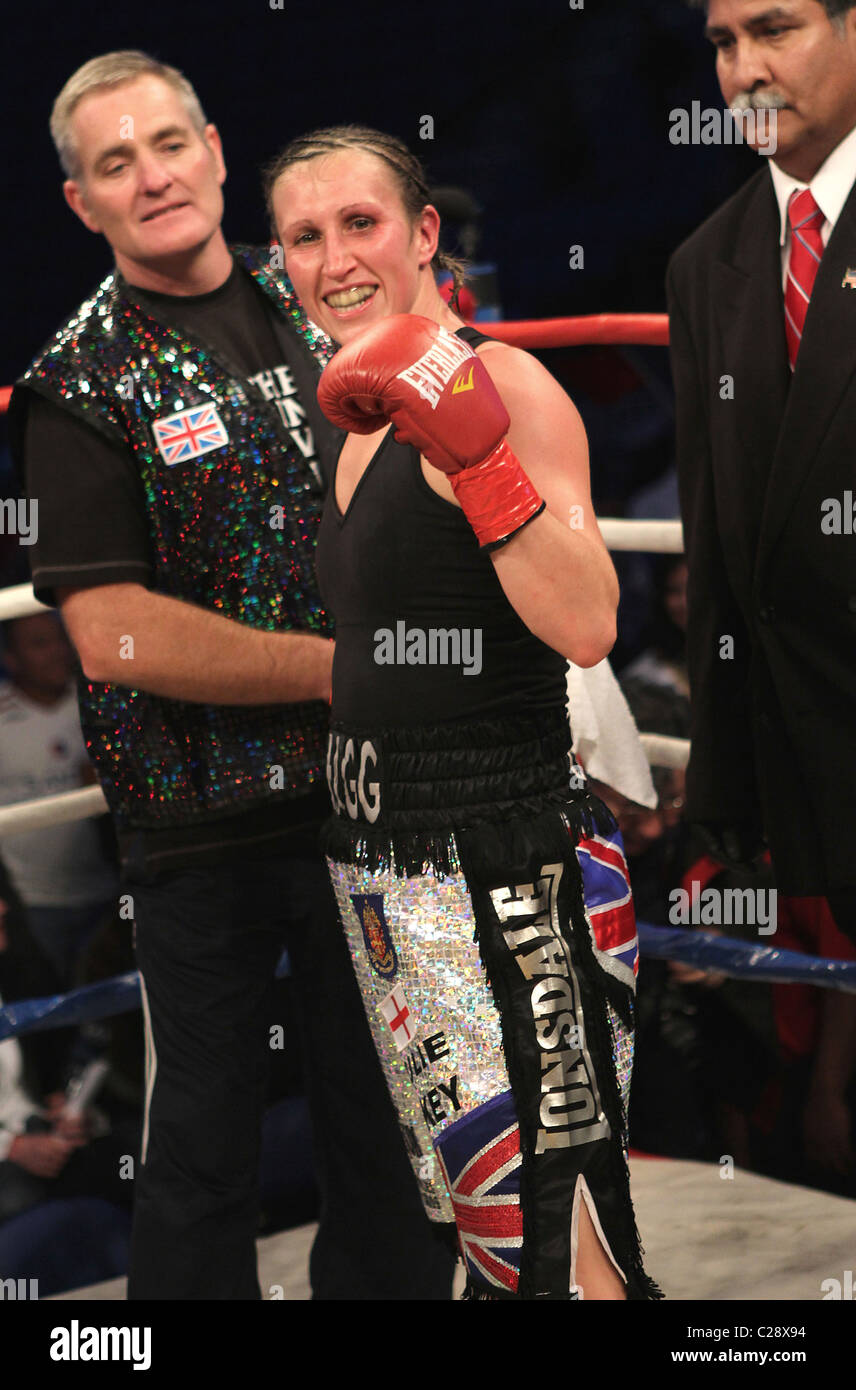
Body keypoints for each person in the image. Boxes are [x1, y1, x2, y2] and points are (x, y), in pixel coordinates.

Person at [8, 53, 454, 1300]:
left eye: (168, 144)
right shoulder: (75, 383)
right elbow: (112, 637)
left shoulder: (314, 288)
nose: (152, 177)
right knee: (203, 1146)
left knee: (386, 1114)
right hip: (199, 829)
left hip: (367, 791)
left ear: (211, 152)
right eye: (116, 163)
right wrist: (340, 669)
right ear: (81, 202)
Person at [266, 125, 662, 1301]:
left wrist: (481, 460)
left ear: (424, 232)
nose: (335, 258)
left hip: (509, 867)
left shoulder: (507, 386)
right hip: (390, 872)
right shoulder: (351, 417)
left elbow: (587, 619)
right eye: (304, 236)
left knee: (563, 1249)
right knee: (490, 1245)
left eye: (361, 223)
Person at [670, 1, 856, 950]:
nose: (744, 72)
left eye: (775, 30)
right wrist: (723, 778)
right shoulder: (705, 263)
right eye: (723, 44)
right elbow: (717, 536)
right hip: (817, 764)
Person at [0, 614, 119, 987]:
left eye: (60, 638)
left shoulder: (100, 702)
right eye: (39, 643)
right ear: (10, 657)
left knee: (120, 1002)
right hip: (32, 902)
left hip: (110, 892)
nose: (56, 651)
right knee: (46, 1009)